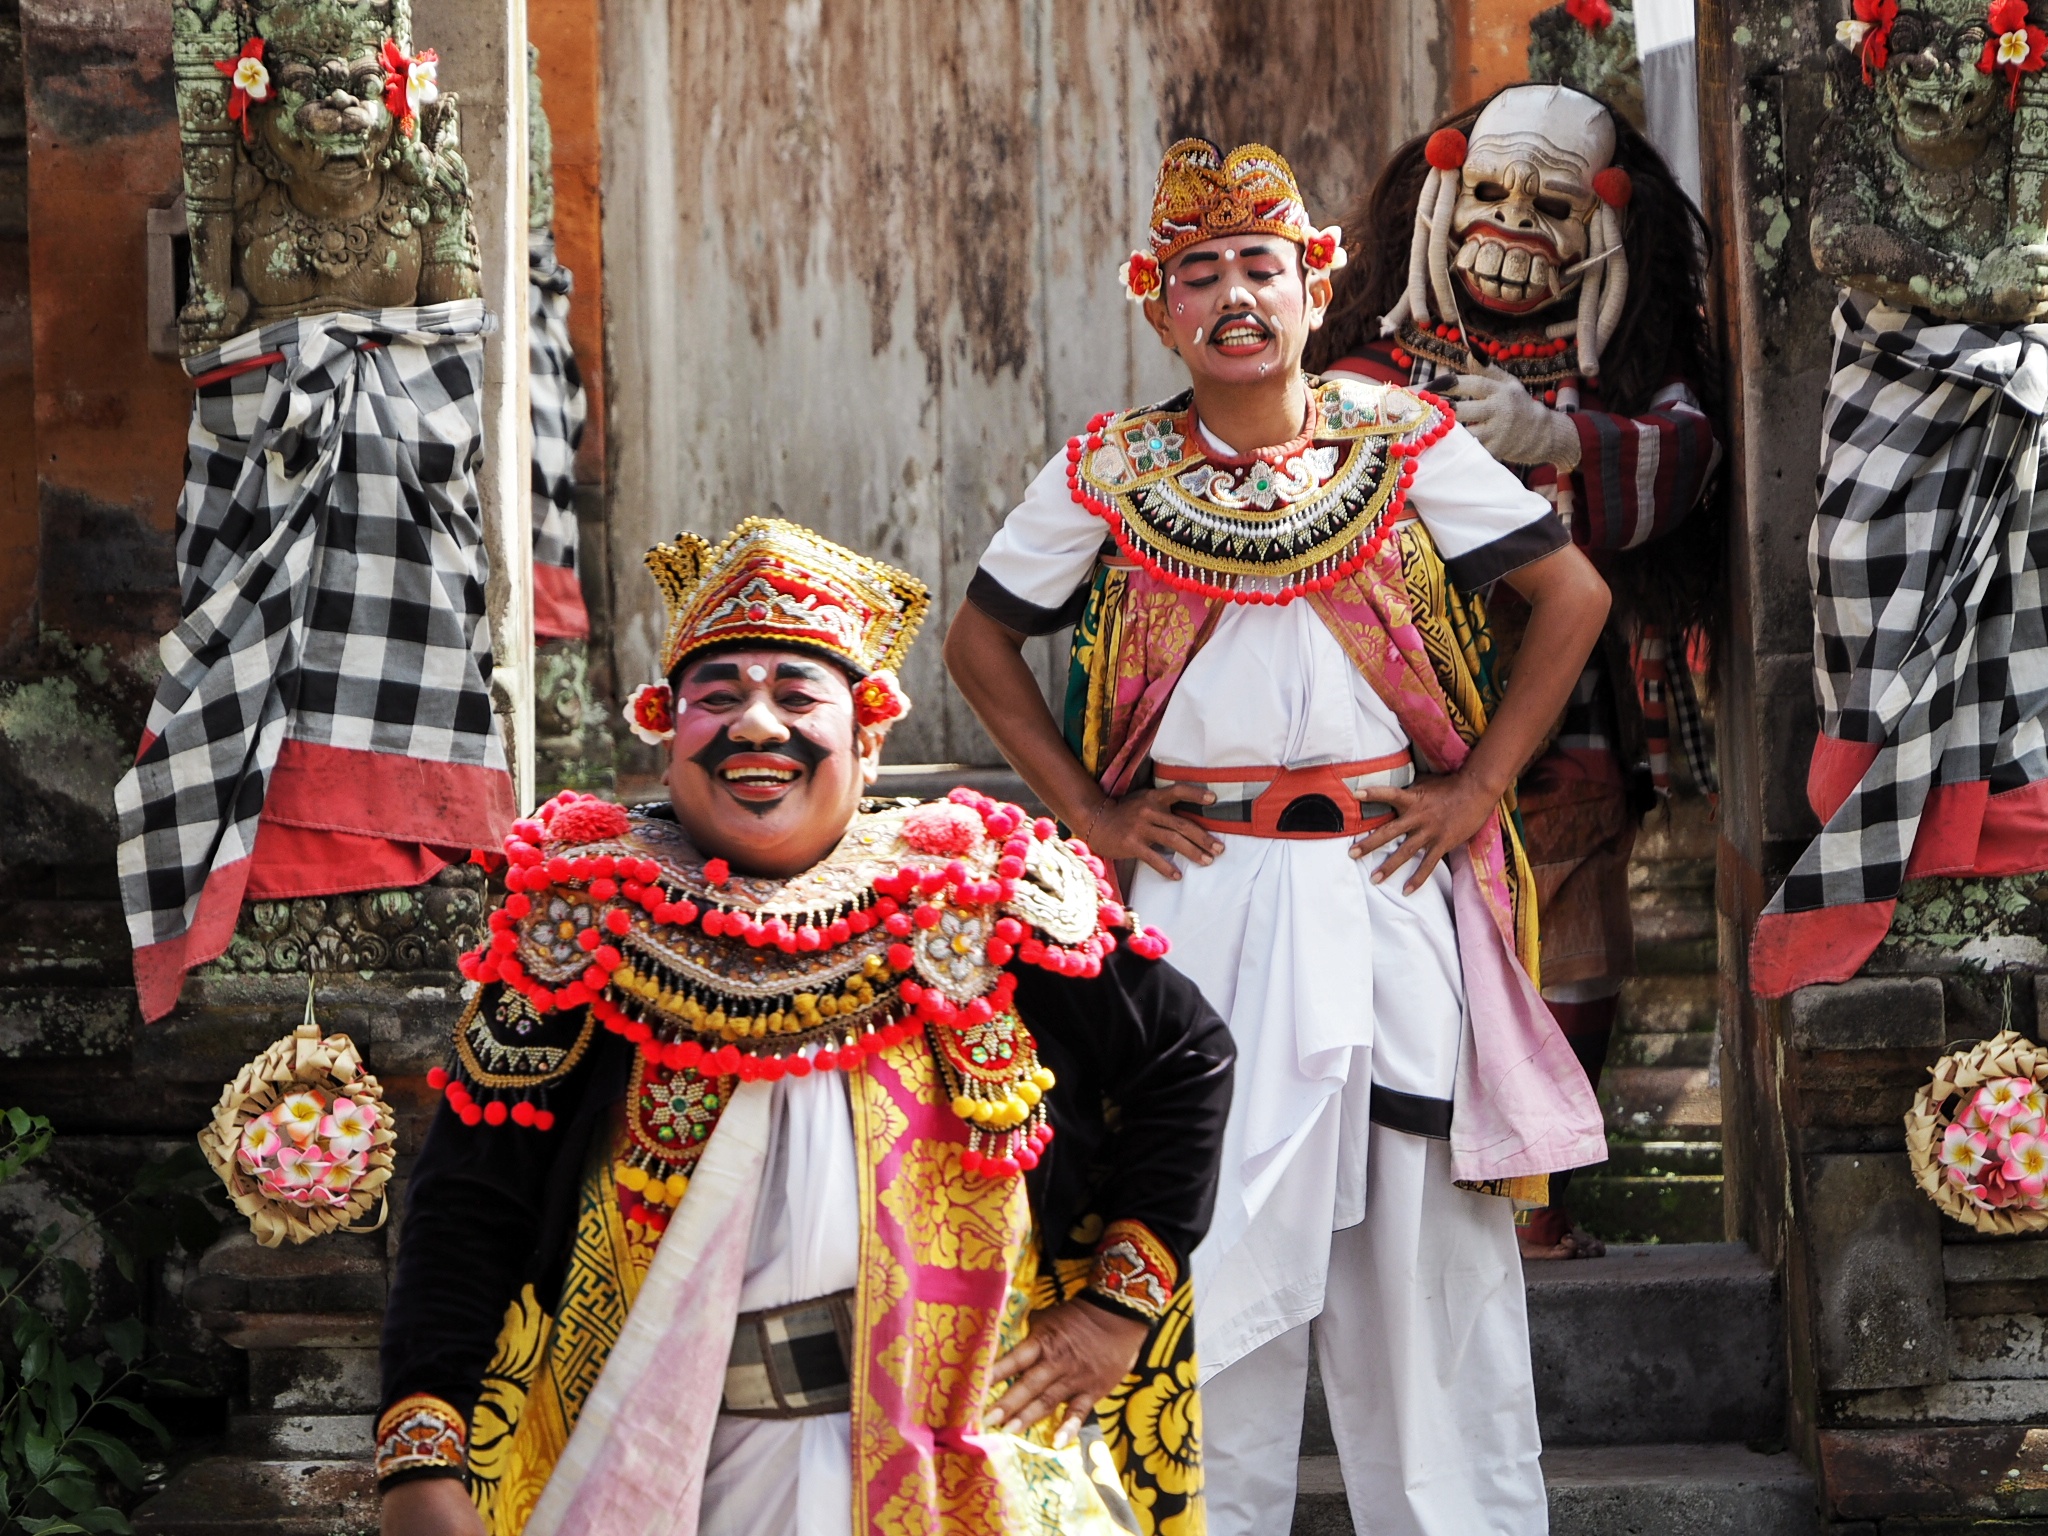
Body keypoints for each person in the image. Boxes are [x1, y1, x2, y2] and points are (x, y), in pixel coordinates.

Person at [946, 139, 1609, 1536]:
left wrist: (1482, 787)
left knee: (1427, 1282)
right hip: (1204, 892)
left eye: (1262, 267)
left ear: (1317, 285)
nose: (1233, 298)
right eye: (1199, 275)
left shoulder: (1409, 442)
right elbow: (982, 641)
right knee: (1193, 1255)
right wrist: (1093, 812)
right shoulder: (1107, 473)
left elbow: (1573, 600)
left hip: (1389, 877)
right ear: (1157, 306)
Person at [375, 518, 1235, 1536]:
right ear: (666, 726)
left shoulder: (977, 892)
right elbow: (473, 1193)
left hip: (963, 1450)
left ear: (869, 735)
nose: (754, 726)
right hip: (668, 1458)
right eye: (716, 695)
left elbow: (1184, 1059)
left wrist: (1111, 1313)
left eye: (796, 694)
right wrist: (419, 1456)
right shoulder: (586, 913)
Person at [1307, 83, 1725, 1260]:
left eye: (1550, 206)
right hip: (1389, 711)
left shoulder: (1619, 370)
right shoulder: (1373, 360)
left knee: (1577, 932)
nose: (1512, 227)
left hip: (1569, 709)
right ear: (1436, 198)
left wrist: (1552, 438)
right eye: (1487, 192)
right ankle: (1404, 1202)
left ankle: (1531, 1200)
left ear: (1606, 228)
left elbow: (1686, 455)